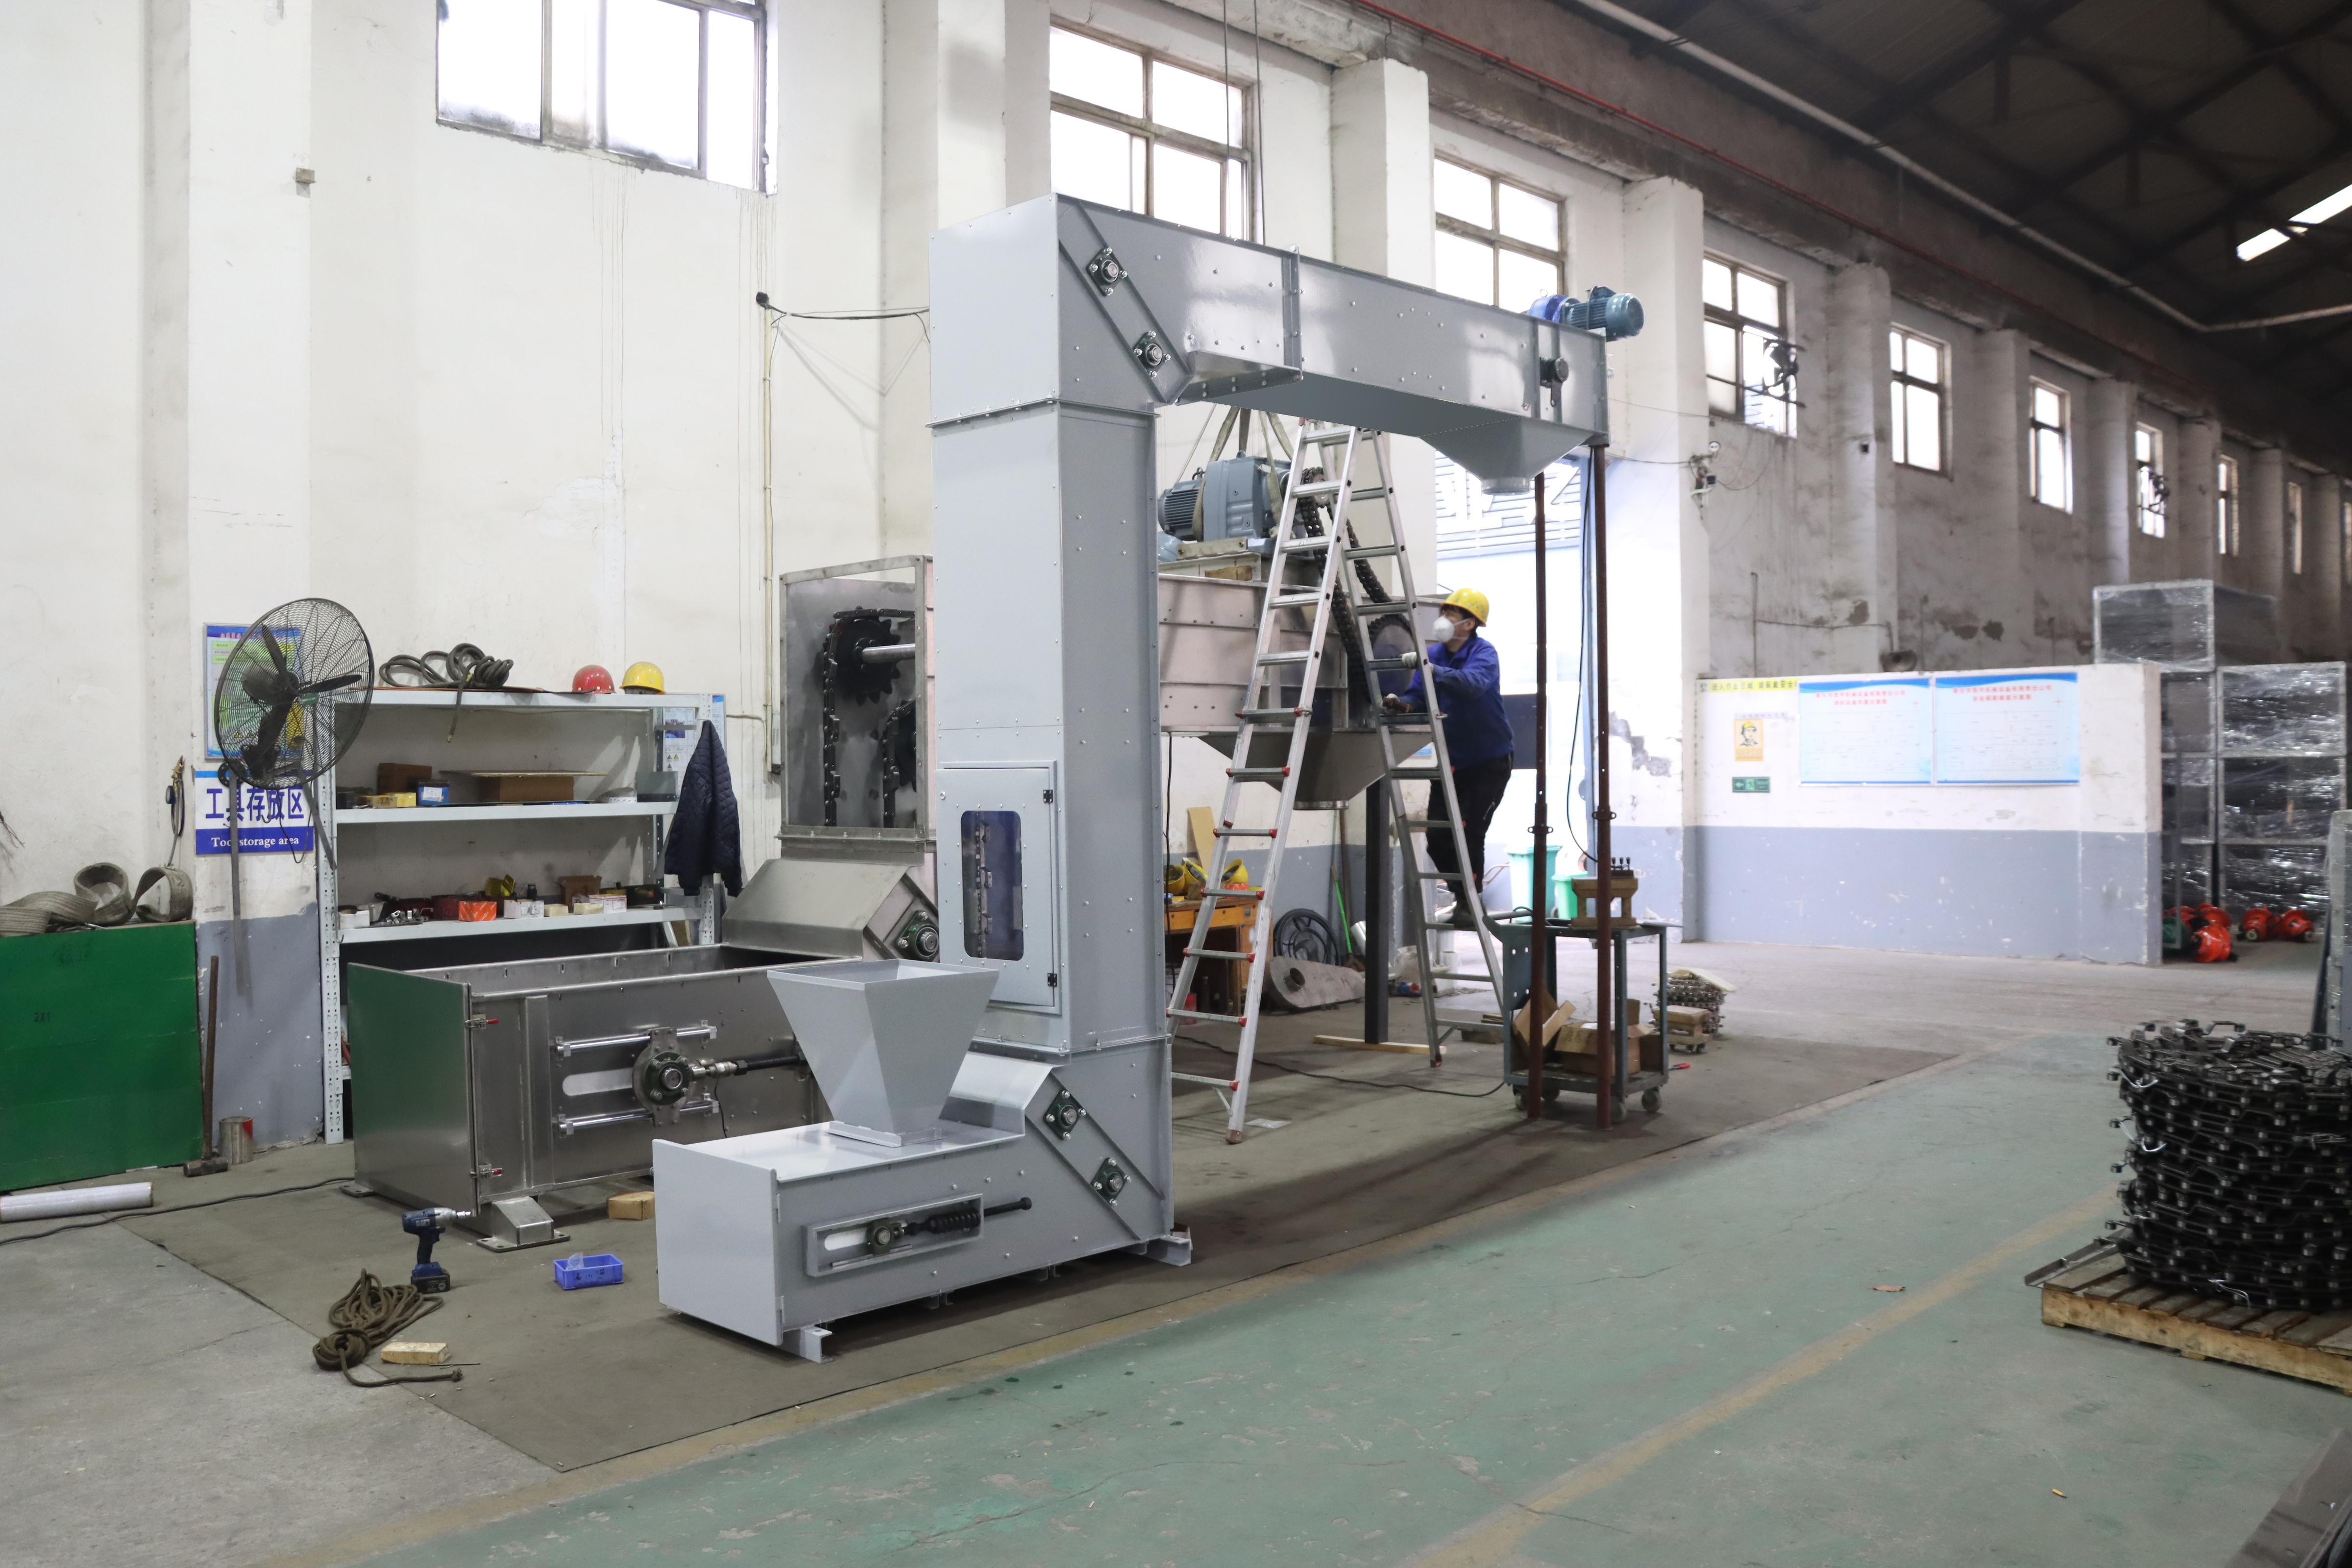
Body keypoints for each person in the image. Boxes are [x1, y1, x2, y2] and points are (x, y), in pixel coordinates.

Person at [1384, 588, 1512, 930]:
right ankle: (1462, 895)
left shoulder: (1484, 653)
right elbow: (1418, 695)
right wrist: (1402, 703)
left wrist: (1432, 670)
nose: (1443, 619)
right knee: (1439, 838)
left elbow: (1473, 684)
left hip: (1489, 762)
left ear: (1469, 624)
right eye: (1444, 612)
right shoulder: (1434, 654)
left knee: (1470, 832)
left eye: (1452, 614)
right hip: (1451, 762)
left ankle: (1471, 902)